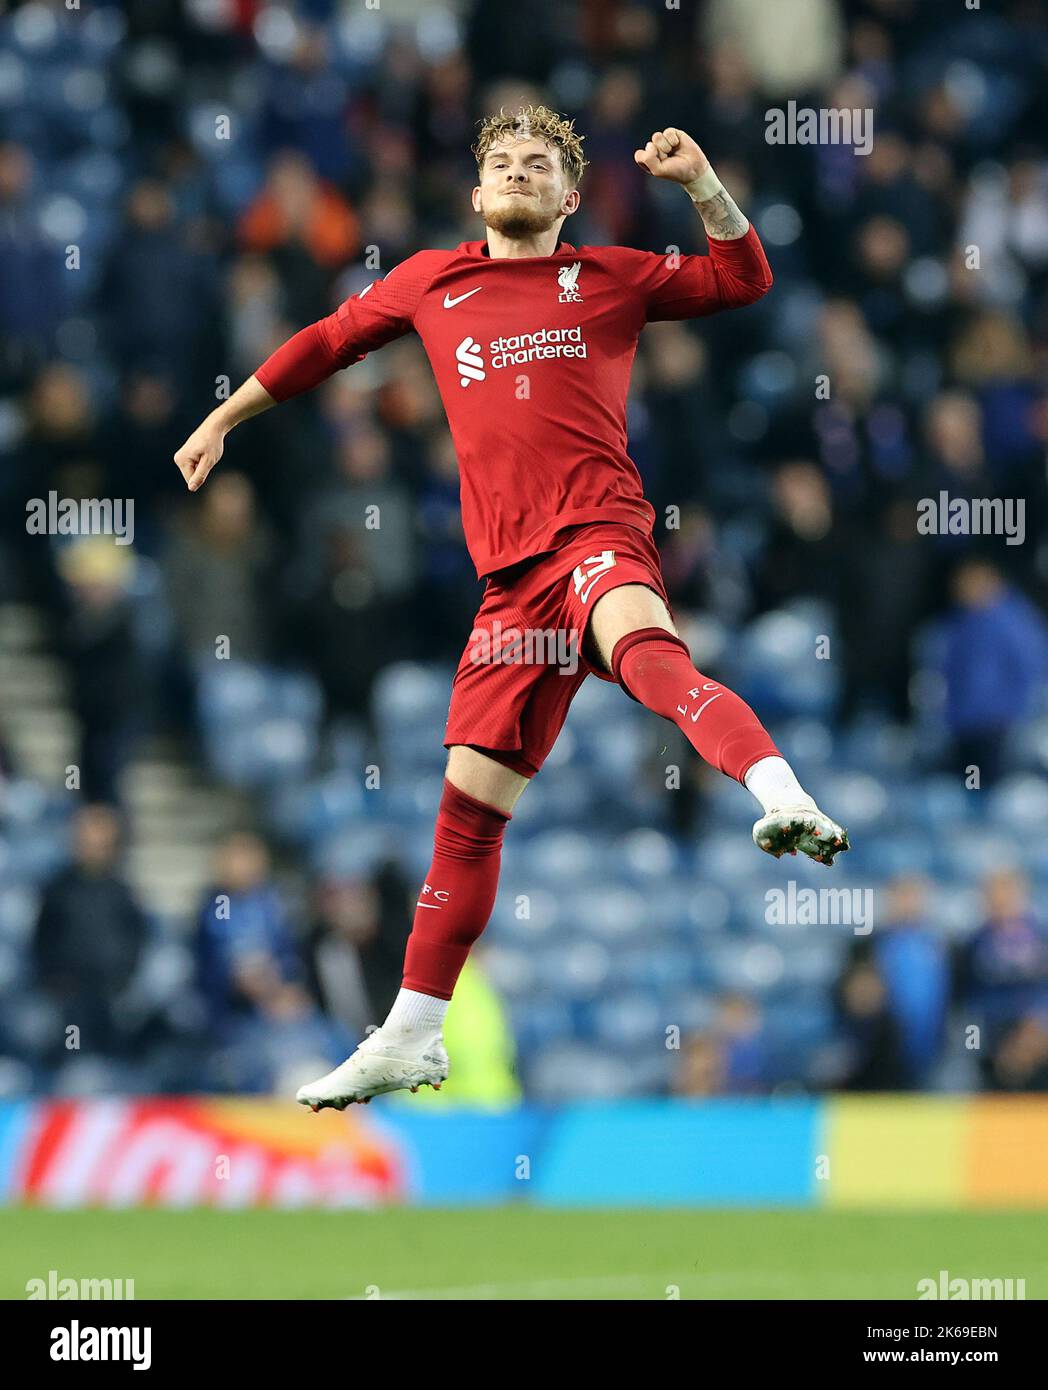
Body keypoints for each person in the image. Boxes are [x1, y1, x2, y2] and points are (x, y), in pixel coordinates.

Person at [173, 106, 849, 1109]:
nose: (520, 171)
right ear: (477, 193)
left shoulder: (607, 275)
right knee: (467, 812)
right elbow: (328, 341)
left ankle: (780, 791)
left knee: (649, 658)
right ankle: (410, 1031)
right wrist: (226, 415)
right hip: (508, 585)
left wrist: (702, 184)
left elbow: (743, 279)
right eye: (503, 161)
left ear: (568, 199)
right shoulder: (431, 283)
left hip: (596, 534)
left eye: (541, 164)